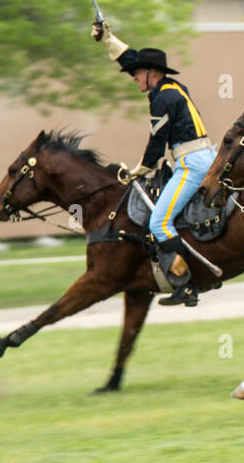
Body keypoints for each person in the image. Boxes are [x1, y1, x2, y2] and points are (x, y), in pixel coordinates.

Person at [91, 22, 218, 306]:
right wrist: (107, 38)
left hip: (192, 164)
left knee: (159, 224)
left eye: (138, 74)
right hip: (203, 157)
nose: (134, 77)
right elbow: (132, 60)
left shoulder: (162, 99)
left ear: (152, 73)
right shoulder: (173, 88)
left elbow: (157, 143)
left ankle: (186, 286)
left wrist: (140, 169)